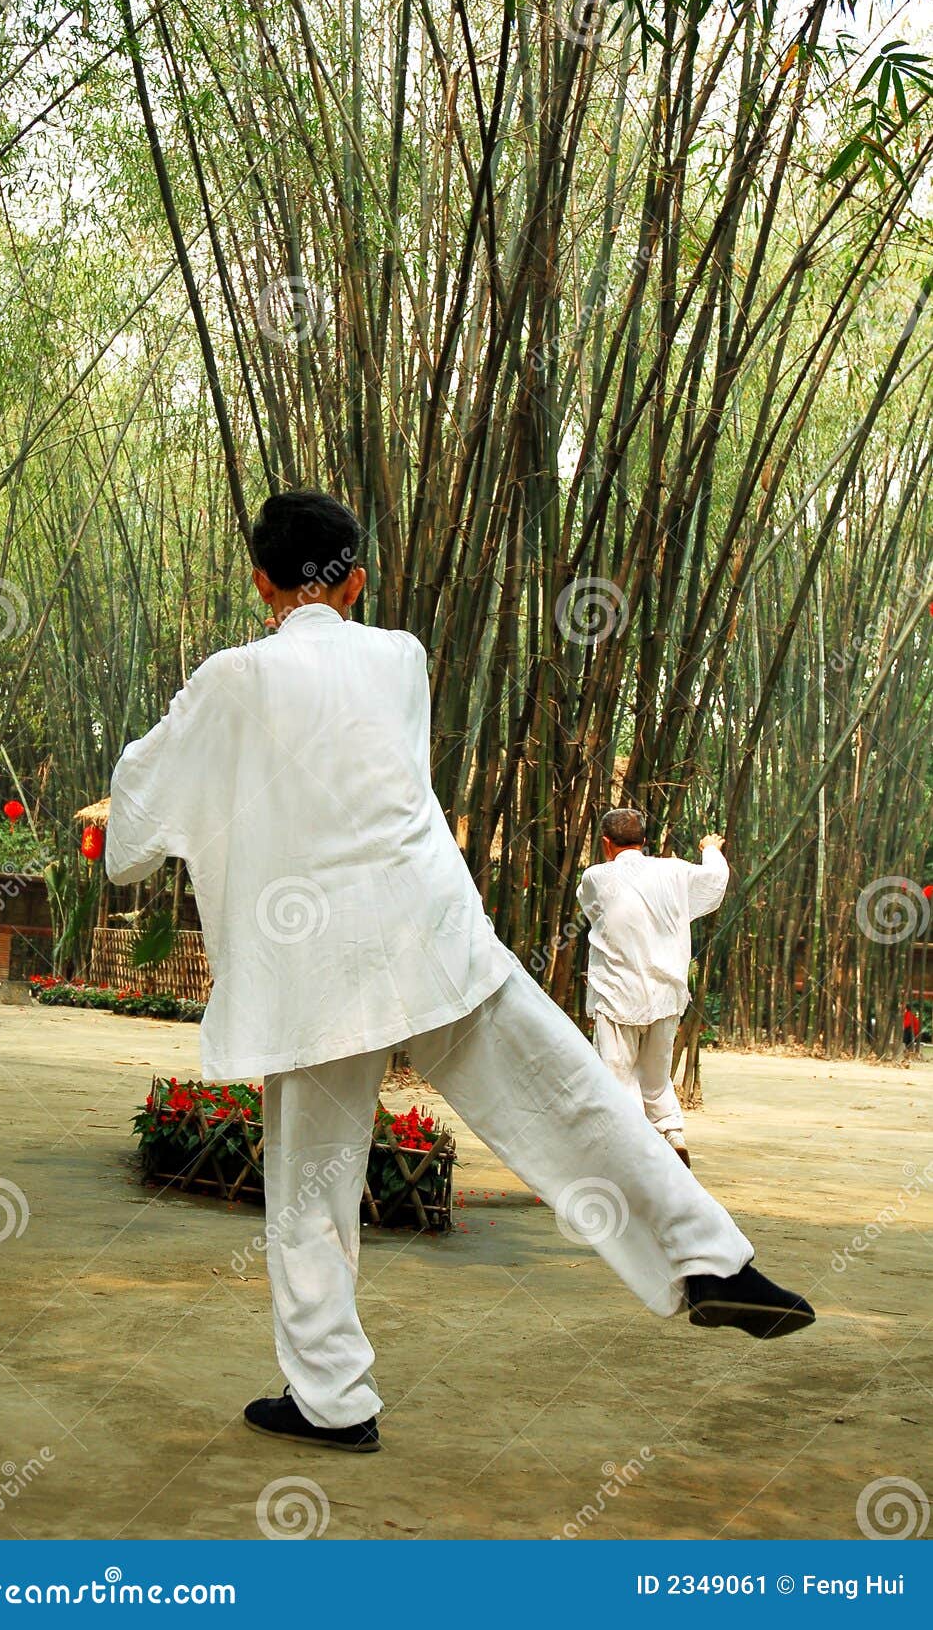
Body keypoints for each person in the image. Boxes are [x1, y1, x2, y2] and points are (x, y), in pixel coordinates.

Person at [105, 490, 815, 1457]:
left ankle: (333, 1402)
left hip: (316, 970)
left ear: (261, 583)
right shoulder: (403, 659)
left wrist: (126, 823)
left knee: (311, 1186)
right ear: (357, 579)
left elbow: (145, 795)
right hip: (432, 931)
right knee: (571, 1094)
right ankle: (712, 1258)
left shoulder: (233, 679)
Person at [578, 809, 729, 1170]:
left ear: (605, 844)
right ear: (645, 842)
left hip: (617, 992)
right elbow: (714, 879)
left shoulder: (597, 876)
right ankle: (672, 1133)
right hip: (665, 993)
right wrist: (711, 848)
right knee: (656, 1076)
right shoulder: (674, 871)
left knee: (617, 1072)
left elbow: (593, 910)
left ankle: (634, 1149)